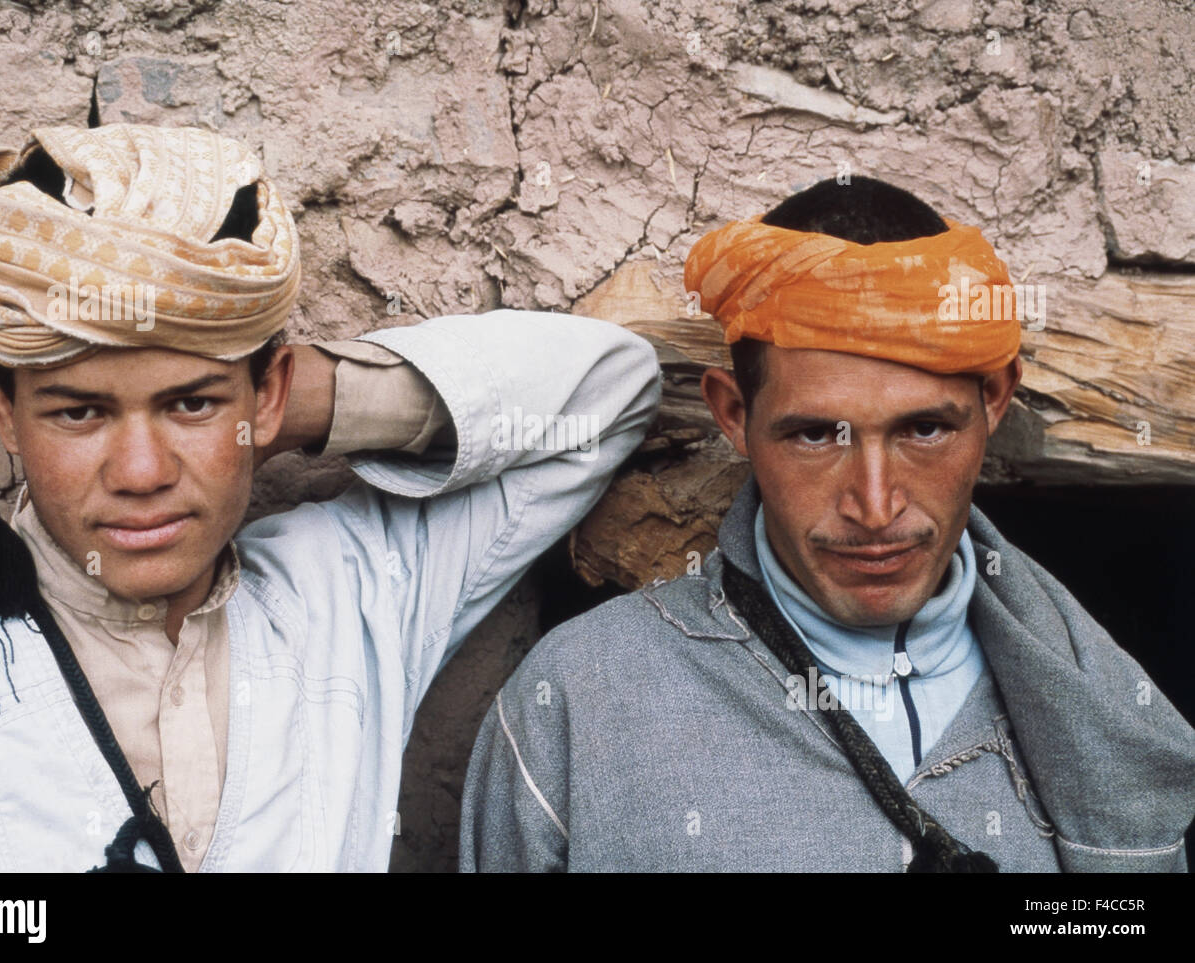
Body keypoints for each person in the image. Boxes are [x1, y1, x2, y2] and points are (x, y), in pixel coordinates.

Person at [0, 122, 661, 871]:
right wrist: (213, 401)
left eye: (188, 403)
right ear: (3, 408)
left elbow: (613, 392)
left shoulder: (349, 597)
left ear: (270, 394)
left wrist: (288, 407)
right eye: (80, 411)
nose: (139, 472)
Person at [459, 176, 1195, 872]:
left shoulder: (1107, 721)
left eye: (925, 430)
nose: (875, 507)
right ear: (735, 415)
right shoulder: (579, 704)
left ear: (996, 400)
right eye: (816, 435)